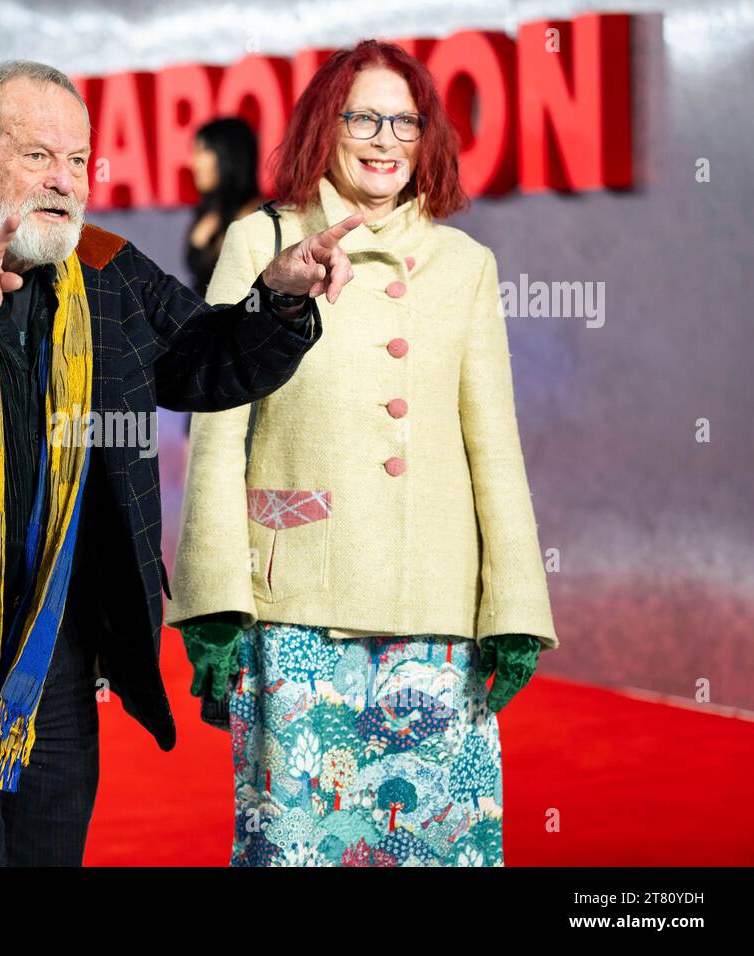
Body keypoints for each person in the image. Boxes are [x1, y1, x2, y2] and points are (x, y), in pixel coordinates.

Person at [0, 59, 361, 866]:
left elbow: (201, 361)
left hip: (59, 663)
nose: (64, 181)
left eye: (77, 160)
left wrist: (278, 295)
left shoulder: (104, 271)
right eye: (36, 157)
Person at [167, 39, 559, 867]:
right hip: (297, 613)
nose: (386, 139)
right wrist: (212, 600)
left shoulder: (465, 266)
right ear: (324, 125)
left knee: (435, 850)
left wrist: (515, 609)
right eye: (364, 118)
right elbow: (218, 435)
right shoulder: (258, 241)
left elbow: (495, 449)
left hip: (437, 625)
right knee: (299, 847)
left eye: (406, 122)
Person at [185, 117, 263, 299]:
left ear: (228, 154)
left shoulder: (256, 218)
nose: (193, 163)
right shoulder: (209, 212)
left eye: (202, 151)